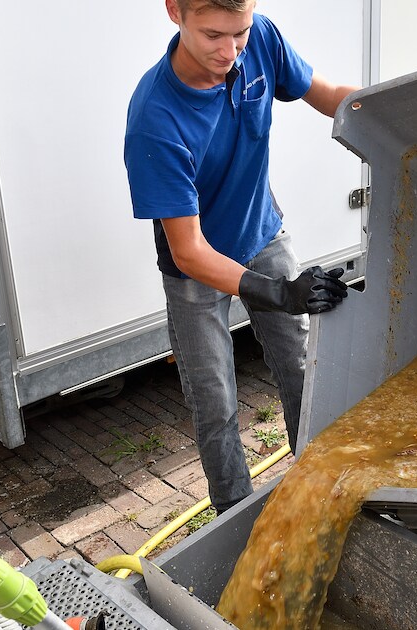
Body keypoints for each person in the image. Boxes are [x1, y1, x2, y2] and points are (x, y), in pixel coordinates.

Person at [124, 0, 356, 513]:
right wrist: (278, 293)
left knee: (302, 369)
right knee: (217, 405)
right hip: (196, 272)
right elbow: (189, 251)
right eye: (212, 35)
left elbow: (332, 96)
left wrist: (406, 116)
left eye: (240, 33)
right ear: (174, 12)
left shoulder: (262, 39)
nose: (229, 52)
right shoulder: (154, 119)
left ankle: (322, 498)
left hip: (264, 236)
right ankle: (236, 518)